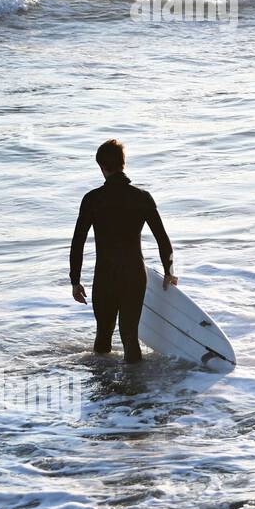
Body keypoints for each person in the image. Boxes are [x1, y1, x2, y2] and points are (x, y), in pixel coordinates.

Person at [69, 139, 176, 363]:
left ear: (102, 167)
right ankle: (137, 393)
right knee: (130, 337)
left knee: (103, 337)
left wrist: (75, 280)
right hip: (134, 276)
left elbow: (78, 242)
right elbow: (162, 239)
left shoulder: (92, 199)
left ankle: (104, 394)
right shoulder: (142, 198)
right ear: (123, 164)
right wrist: (169, 270)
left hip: (105, 276)